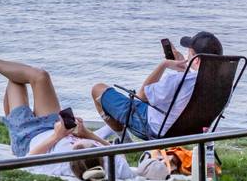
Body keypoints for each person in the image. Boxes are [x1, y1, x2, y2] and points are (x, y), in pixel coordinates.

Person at [0, 30, 133, 180]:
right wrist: (87, 134)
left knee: (15, 81)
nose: (75, 140)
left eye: (75, 145)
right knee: (41, 76)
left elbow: (26, 162)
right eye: (87, 144)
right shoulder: (112, 165)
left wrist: (57, 136)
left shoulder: (60, 165)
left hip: (28, 137)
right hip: (53, 125)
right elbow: (118, 155)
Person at [91, 31, 224, 140]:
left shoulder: (176, 80)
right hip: (191, 131)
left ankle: (124, 141)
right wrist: (184, 70)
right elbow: (189, 90)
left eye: (189, 52)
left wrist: (164, 65)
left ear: (197, 60)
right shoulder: (222, 84)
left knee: (98, 89)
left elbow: (141, 97)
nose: (186, 54)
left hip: (154, 128)